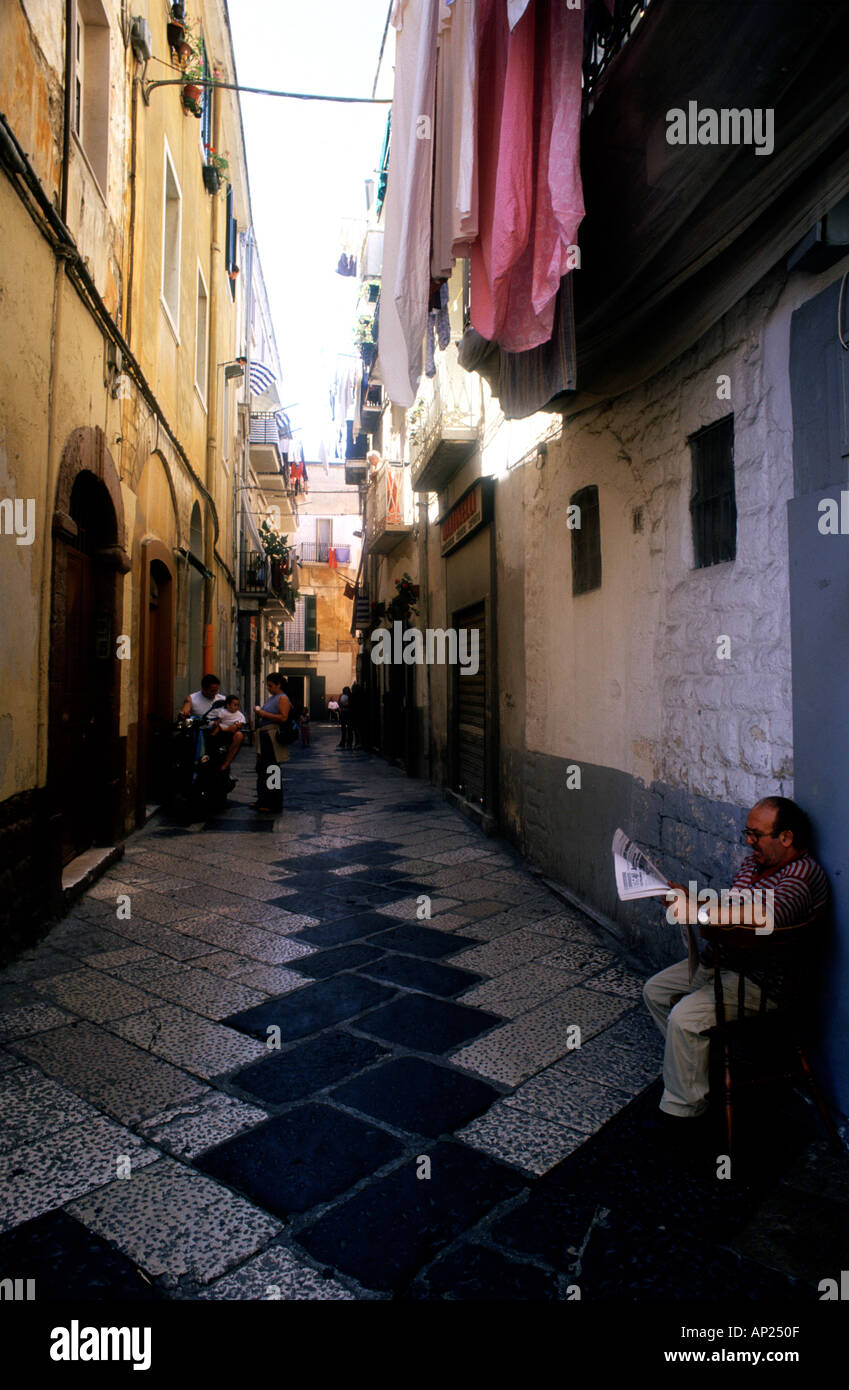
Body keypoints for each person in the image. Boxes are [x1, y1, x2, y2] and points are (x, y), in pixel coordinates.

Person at [643, 796, 829, 1133]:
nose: (748, 841)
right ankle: (696, 1072)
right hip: (726, 964)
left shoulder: (801, 875)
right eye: (748, 833)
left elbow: (764, 916)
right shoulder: (754, 864)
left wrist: (699, 912)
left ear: (786, 837)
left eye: (756, 835)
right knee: (655, 991)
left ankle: (684, 1114)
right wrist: (691, 898)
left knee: (684, 1018)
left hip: (761, 982)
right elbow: (731, 906)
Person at [252, 672, 292, 813]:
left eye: (270, 686)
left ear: (278, 685)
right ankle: (263, 800)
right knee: (262, 768)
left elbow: (283, 717)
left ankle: (273, 802)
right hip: (264, 735)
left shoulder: (282, 698)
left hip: (272, 736)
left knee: (272, 769)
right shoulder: (273, 698)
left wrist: (262, 714)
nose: (268, 688)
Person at [179, 674, 225, 761]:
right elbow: (185, 709)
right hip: (198, 730)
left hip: (217, 730)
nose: (215, 693)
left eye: (217, 690)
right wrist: (184, 713)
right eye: (212, 691)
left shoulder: (222, 699)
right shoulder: (192, 698)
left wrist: (220, 721)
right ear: (203, 689)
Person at [207, 694, 246, 779]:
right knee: (217, 728)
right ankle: (211, 738)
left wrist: (238, 725)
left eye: (237, 705)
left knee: (238, 735)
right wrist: (216, 723)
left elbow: (242, 722)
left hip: (232, 731)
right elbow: (218, 719)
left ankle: (225, 763)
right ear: (228, 705)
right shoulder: (223, 711)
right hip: (222, 728)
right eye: (234, 705)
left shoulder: (239, 714)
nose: (236, 707)